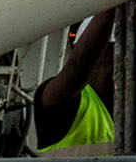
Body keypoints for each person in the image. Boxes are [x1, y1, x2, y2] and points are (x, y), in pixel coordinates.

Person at [31, 14, 118, 152]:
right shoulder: (59, 101)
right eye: (109, 58)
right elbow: (78, 66)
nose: (116, 68)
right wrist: (110, 7)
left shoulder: (132, 111)